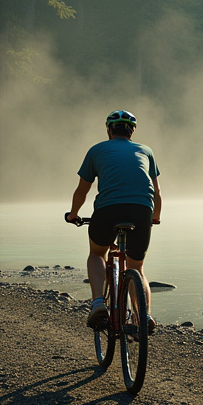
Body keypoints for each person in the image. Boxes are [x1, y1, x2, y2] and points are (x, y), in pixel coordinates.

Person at [65, 110, 161, 328]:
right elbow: (156, 192)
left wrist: (73, 214)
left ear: (109, 130)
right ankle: (143, 316)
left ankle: (98, 303)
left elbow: (82, 191)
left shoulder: (97, 150)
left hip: (108, 210)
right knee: (137, 268)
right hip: (142, 211)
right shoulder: (146, 151)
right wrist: (154, 218)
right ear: (132, 131)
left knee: (97, 253)